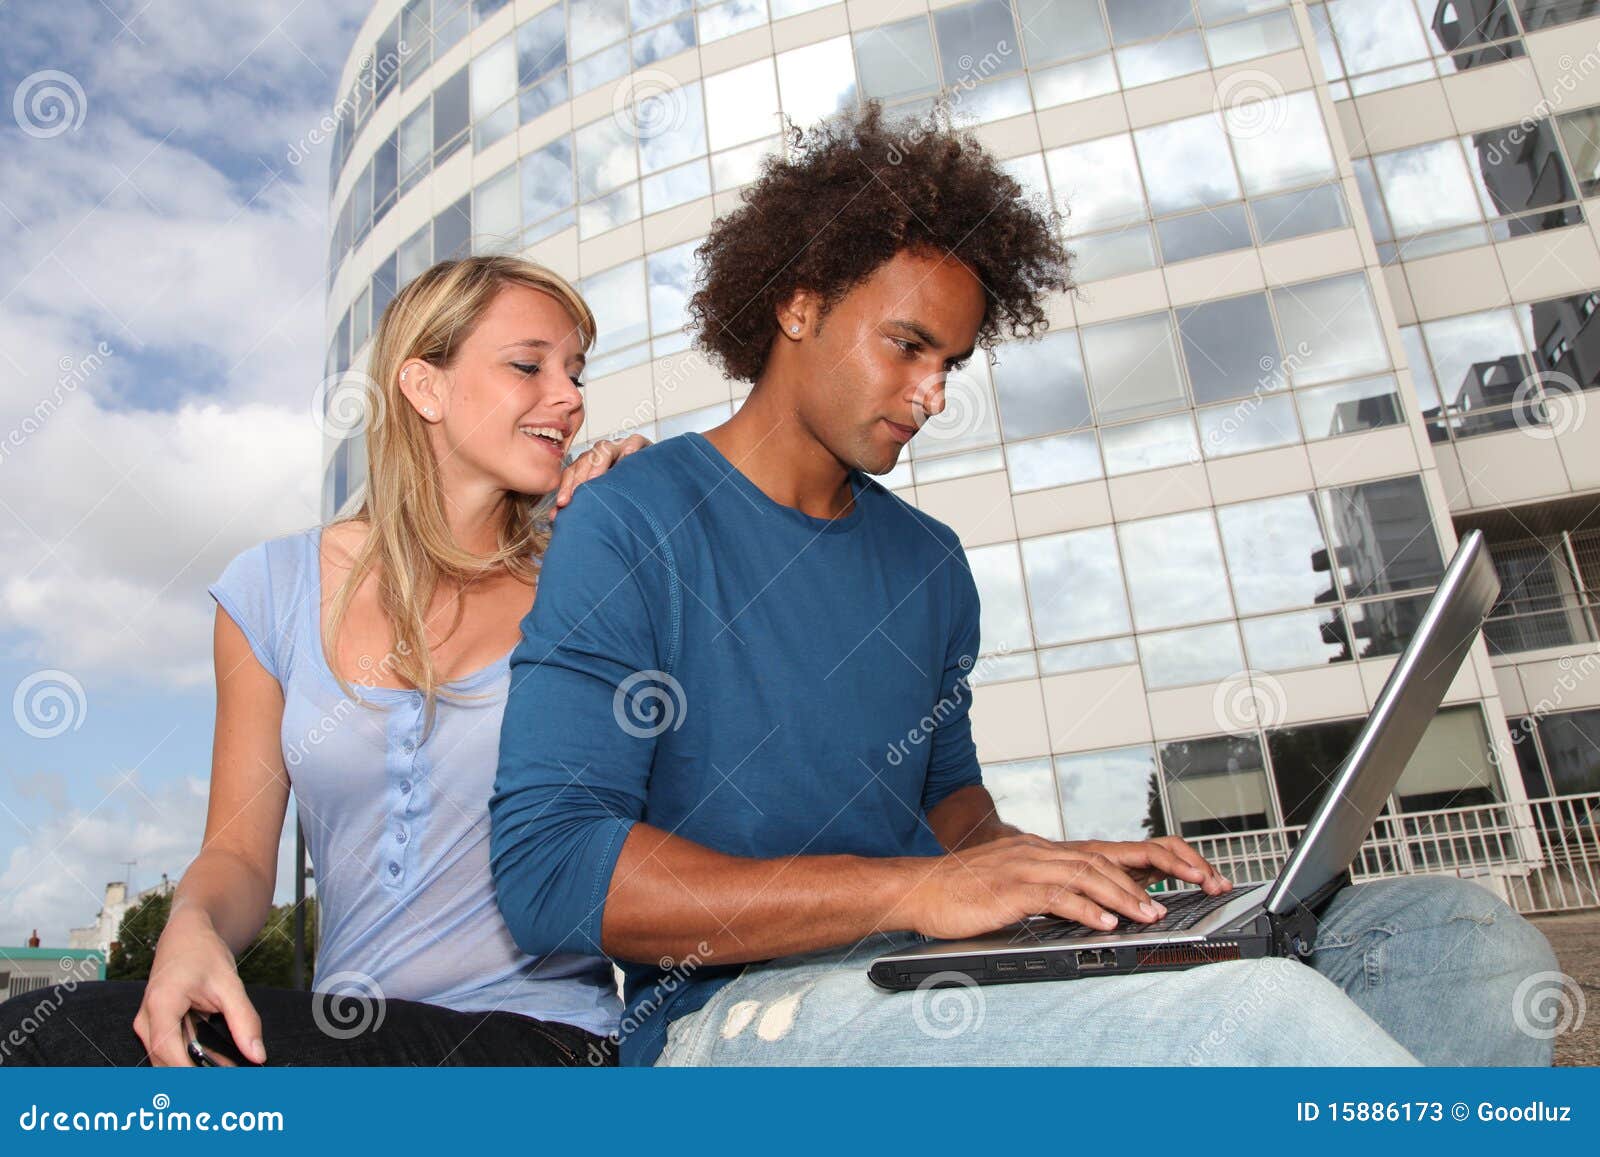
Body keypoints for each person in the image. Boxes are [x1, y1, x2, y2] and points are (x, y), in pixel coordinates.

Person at [487, 104, 1560, 1068]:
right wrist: (912, 890)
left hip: (933, 968)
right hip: (735, 1021)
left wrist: (1056, 868)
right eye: (907, 347)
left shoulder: (927, 563)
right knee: (1243, 1024)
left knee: (1462, 950)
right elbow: (552, 872)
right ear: (798, 304)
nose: (931, 395)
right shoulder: (630, 520)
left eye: (950, 363)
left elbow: (949, 810)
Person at [0, 256, 647, 1066]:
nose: (571, 397)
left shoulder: (587, 580)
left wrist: (650, 527)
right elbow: (237, 853)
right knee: (58, 1040)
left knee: (49, 1046)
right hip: (342, 1033)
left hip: (546, 1040)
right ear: (425, 386)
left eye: (576, 372)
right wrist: (191, 930)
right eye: (530, 365)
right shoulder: (272, 589)